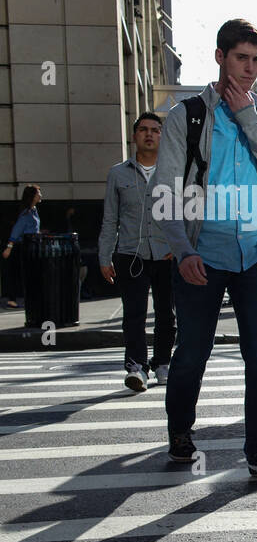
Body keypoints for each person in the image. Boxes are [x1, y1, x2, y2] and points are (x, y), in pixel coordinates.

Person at [153, 18, 257, 483]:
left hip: (256, 254)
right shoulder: (187, 116)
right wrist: (182, 250)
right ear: (220, 57)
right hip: (203, 254)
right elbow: (165, 191)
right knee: (192, 352)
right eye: (241, 58)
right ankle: (180, 431)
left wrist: (248, 120)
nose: (250, 69)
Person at [100, 113, 175, 390]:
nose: (149, 134)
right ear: (134, 136)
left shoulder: (173, 171)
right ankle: (136, 367)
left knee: (167, 313)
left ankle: (163, 363)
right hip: (130, 254)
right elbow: (110, 218)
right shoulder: (118, 173)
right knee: (134, 314)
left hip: (166, 254)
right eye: (143, 129)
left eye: (155, 130)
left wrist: (181, 249)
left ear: (162, 136)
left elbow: (187, 213)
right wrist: (104, 256)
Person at [3, 185, 41, 307]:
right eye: (38, 193)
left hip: (30, 244)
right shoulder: (27, 213)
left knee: (26, 272)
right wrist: (9, 247)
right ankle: (13, 299)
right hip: (22, 246)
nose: (40, 195)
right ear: (33, 196)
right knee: (21, 273)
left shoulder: (34, 210)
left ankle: (24, 298)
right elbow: (16, 230)